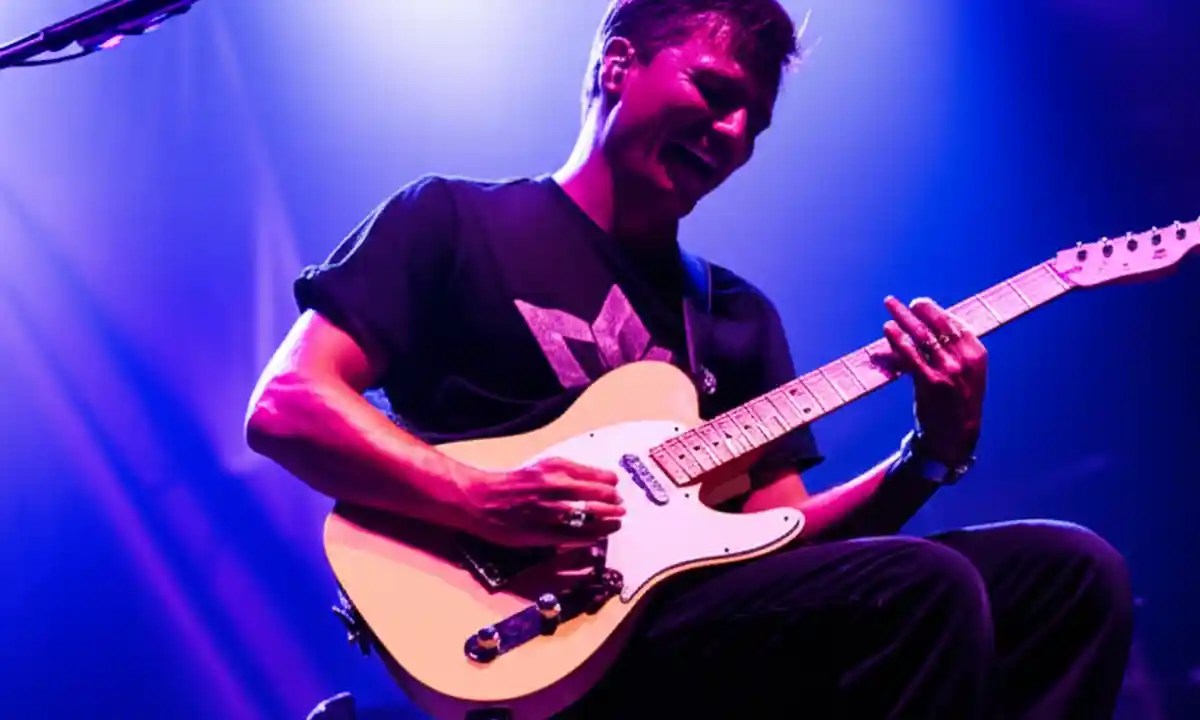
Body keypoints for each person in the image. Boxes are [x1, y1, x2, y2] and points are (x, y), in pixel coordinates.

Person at [245, 1, 1134, 717]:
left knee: (1069, 574)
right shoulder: (450, 222)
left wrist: (928, 458)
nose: (733, 129)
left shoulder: (733, 315)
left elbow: (785, 544)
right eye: (713, 89)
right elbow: (287, 405)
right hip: (535, 624)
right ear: (618, 64)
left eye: (754, 119)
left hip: (701, 620)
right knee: (926, 586)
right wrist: (483, 499)